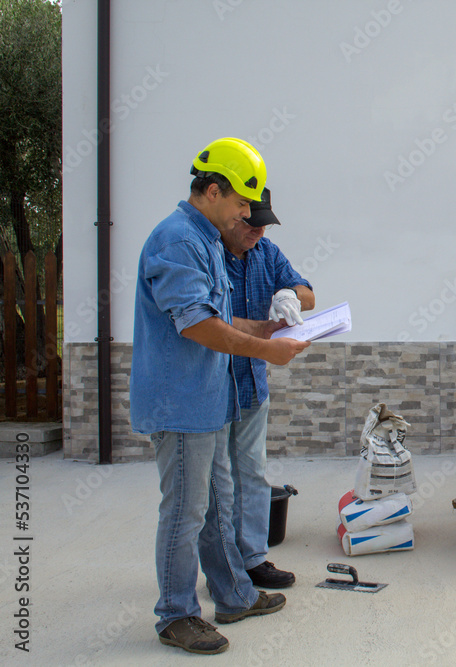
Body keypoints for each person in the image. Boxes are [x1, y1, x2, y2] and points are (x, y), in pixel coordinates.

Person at [130, 137, 310, 655]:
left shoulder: (203, 238)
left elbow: (222, 318)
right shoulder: (177, 241)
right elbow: (197, 326)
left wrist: (270, 331)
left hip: (205, 400)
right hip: (179, 404)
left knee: (215, 505)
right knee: (186, 513)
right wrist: (263, 349)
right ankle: (175, 616)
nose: (243, 216)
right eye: (240, 205)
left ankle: (233, 595)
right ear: (212, 191)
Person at [220, 186, 314, 590]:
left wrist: (288, 293)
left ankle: (254, 559)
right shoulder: (209, 254)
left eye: (264, 225)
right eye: (251, 224)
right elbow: (209, 320)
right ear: (233, 215)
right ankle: (222, 566)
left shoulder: (267, 253)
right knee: (217, 481)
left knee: (252, 473)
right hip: (214, 384)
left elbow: (309, 294)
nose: (258, 232)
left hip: (253, 382)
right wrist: (261, 329)